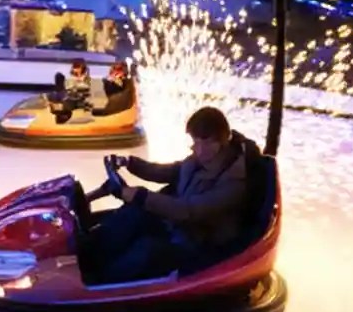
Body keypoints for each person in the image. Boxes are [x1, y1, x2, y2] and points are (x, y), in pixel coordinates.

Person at [82, 107, 249, 283]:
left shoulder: (233, 184)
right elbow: (166, 172)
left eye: (199, 142)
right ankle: (87, 257)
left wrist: (141, 196)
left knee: (147, 250)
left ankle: (97, 283)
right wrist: (130, 163)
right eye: (194, 141)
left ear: (217, 143)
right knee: (133, 215)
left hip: (200, 245)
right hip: (177, 227)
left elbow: (188, 211)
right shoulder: (199, 160)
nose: (195, 148)